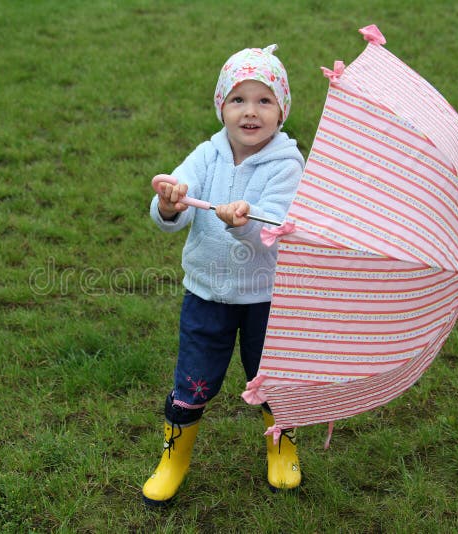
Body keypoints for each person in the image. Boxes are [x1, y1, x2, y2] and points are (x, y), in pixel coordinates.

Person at [143, 44, 305, 506]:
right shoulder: (207, 154)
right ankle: (174, 457)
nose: (250, 112)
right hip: (207, 292)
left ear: (281, 109)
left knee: (270, 376)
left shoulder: (288, 164)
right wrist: (169, 203)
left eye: (264, 100)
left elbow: (273, 228)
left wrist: (245, 222)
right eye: (238, 100)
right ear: (221, 106)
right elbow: (174, 199)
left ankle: (281, 445)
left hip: (266, 295)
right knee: (193, 379)